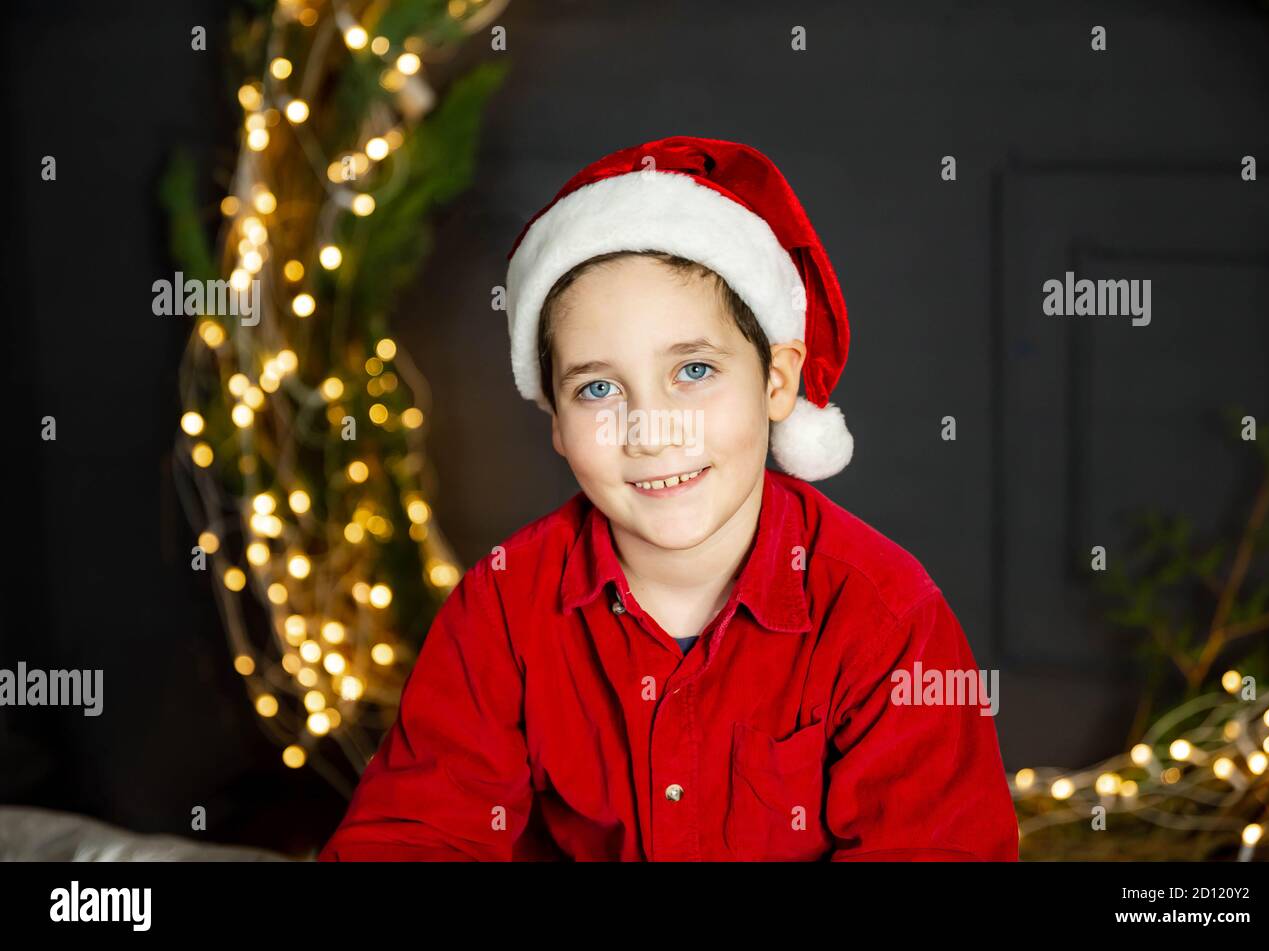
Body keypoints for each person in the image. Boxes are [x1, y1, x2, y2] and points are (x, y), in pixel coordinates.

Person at [317, 135, 1020, 861]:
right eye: (598, 388)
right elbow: (416, 833)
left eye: (692, 370)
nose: (651, 430)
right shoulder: (501, 607)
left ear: (777, 381)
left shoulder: (884, 617)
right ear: (556, 422)